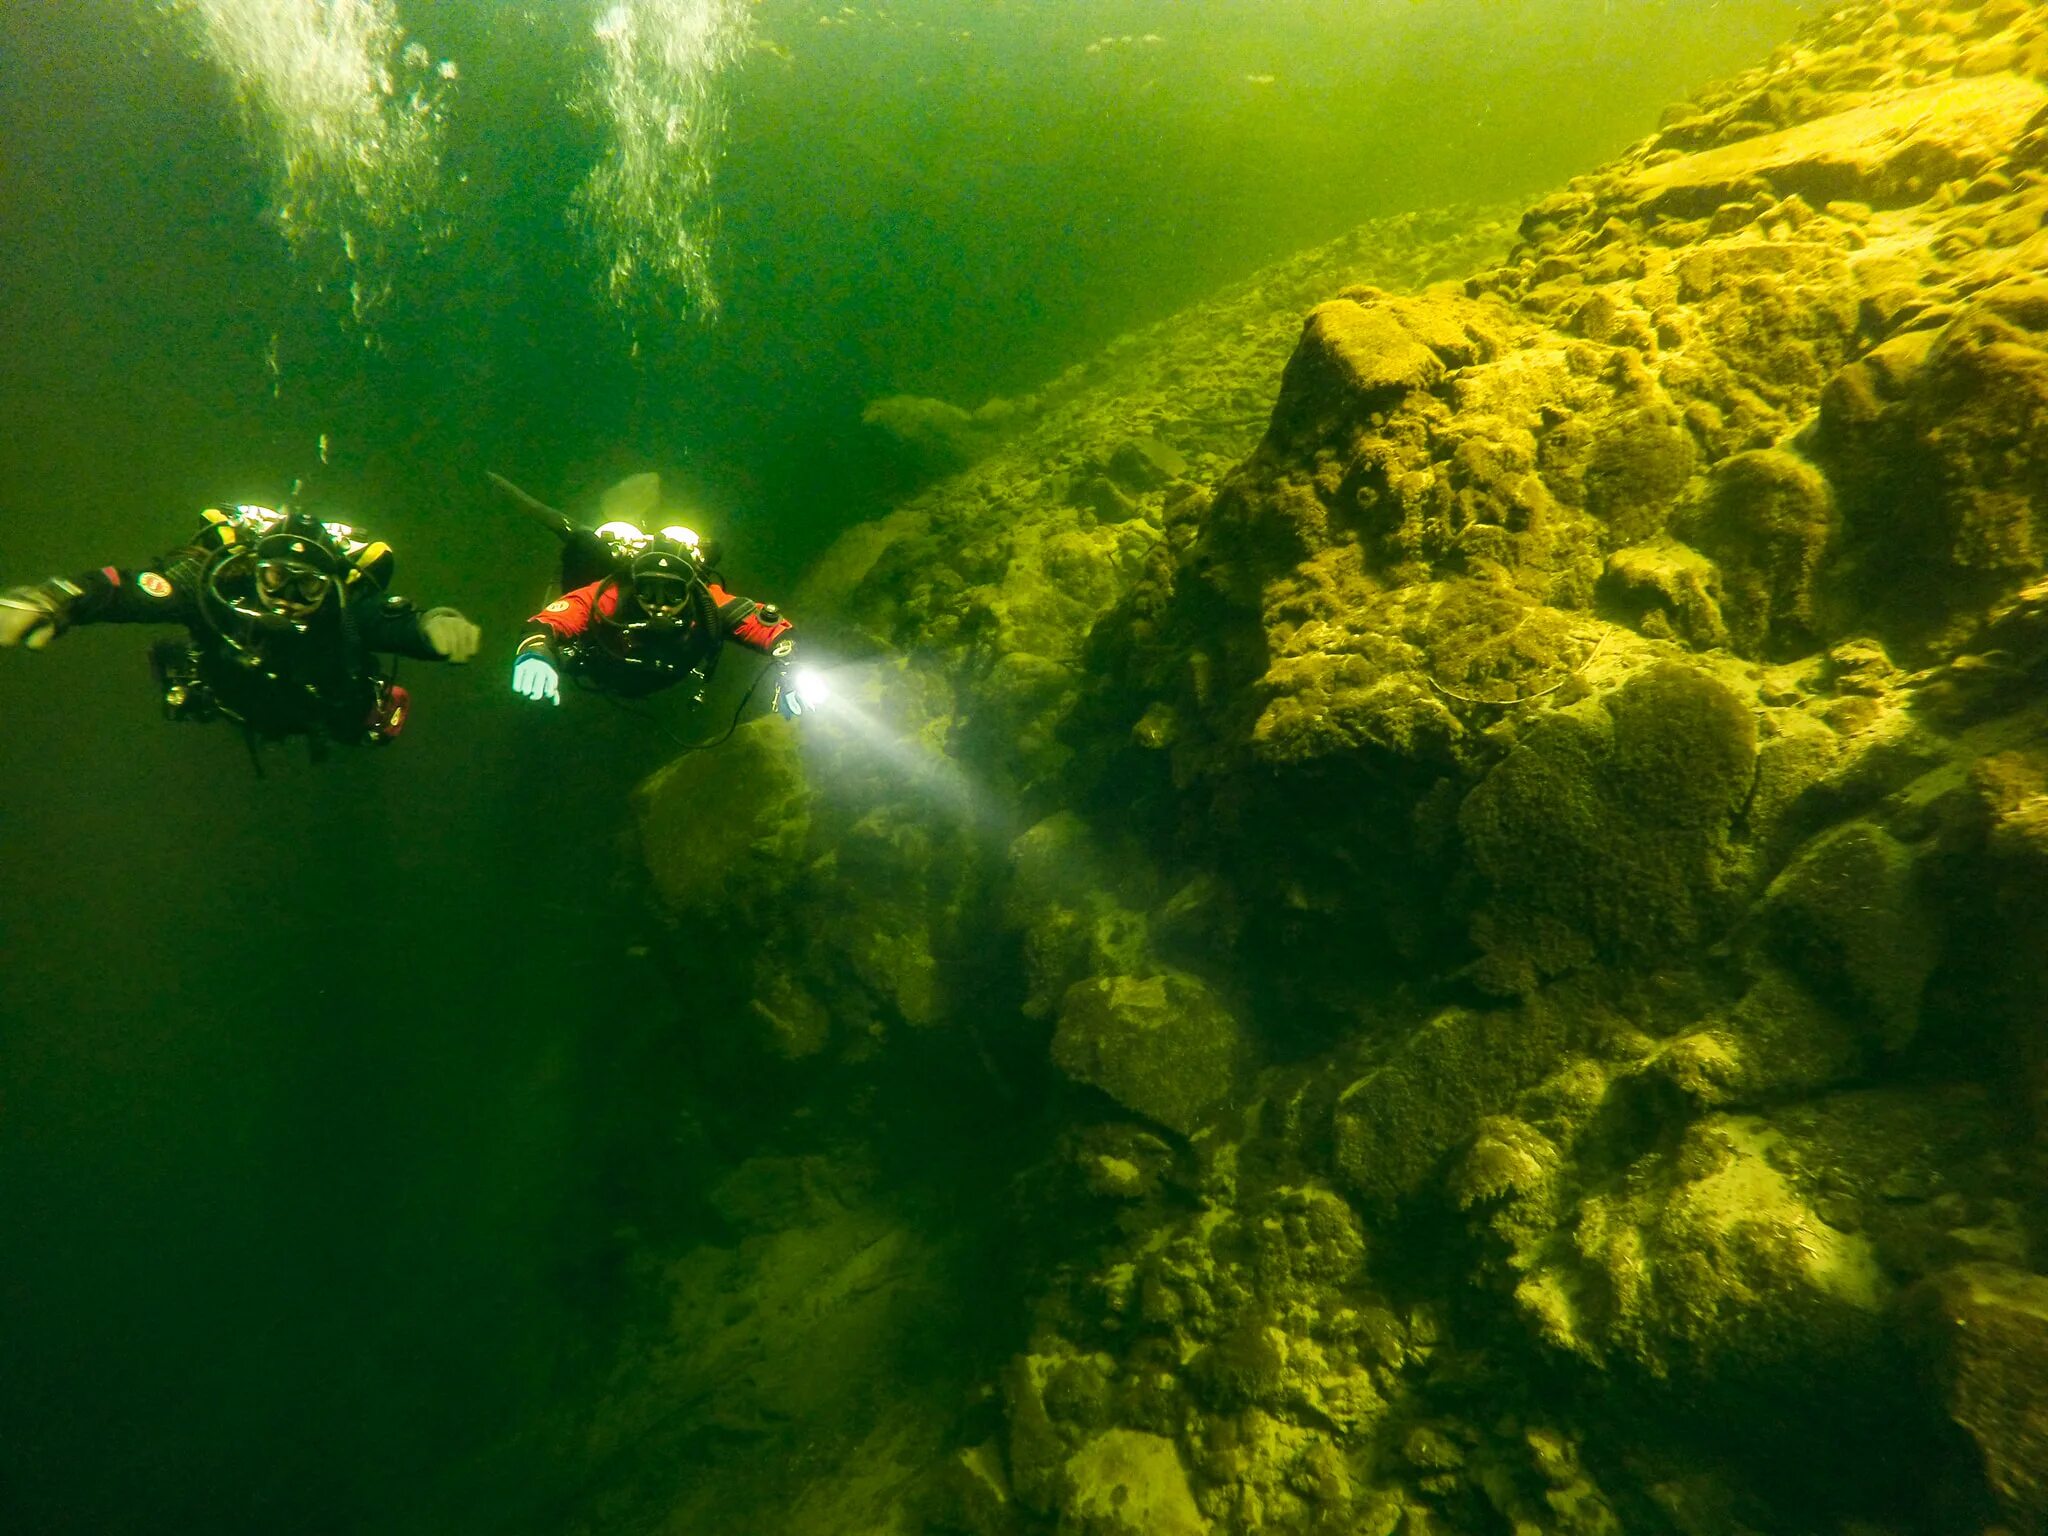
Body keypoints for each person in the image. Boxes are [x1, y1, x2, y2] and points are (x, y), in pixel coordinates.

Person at [0, 503, 481, 751]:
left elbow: (401, 622)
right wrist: (53, 600)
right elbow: (125, 589)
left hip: (321, 711)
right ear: (254, 571)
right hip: (230, 698)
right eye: (275, 579)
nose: (289, 599)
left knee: (353, 723)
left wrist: (439, 627)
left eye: (307, 587)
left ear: (329, 587)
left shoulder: (345, 611)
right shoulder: (212, 588)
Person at [503, 472, 814, 723]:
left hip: (650, 678)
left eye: (672, 591)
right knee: (579, 551)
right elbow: (549, 622)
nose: (659, 602)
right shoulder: (607, 596)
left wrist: (792, 668)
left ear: (690, 588)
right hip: (604, 673)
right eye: (648, 590)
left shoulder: (707, 603)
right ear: (633, 585)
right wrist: (535, 653)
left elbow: (770, 627)